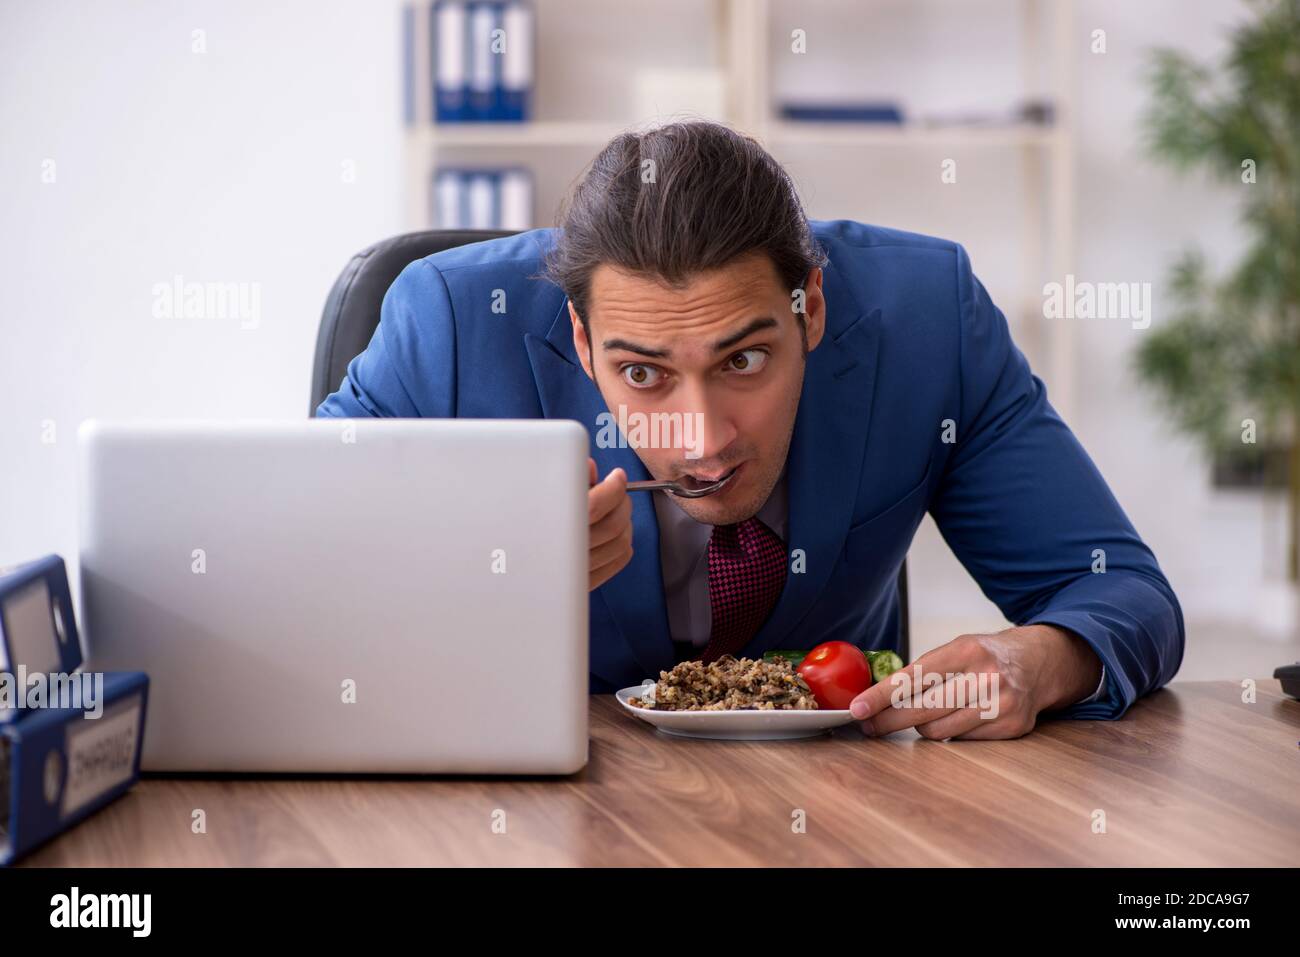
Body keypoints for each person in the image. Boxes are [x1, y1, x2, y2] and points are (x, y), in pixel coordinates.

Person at [318, 121, 1183, 740]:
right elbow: (293, 579)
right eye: (644, 374)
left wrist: (1042, 657)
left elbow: (1121, 590)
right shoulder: (448, 325)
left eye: (743, 360)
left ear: (812, 307)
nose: (702, 439)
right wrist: (473, 565)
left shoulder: (928, 321)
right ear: (581, 341)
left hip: (842, 810)